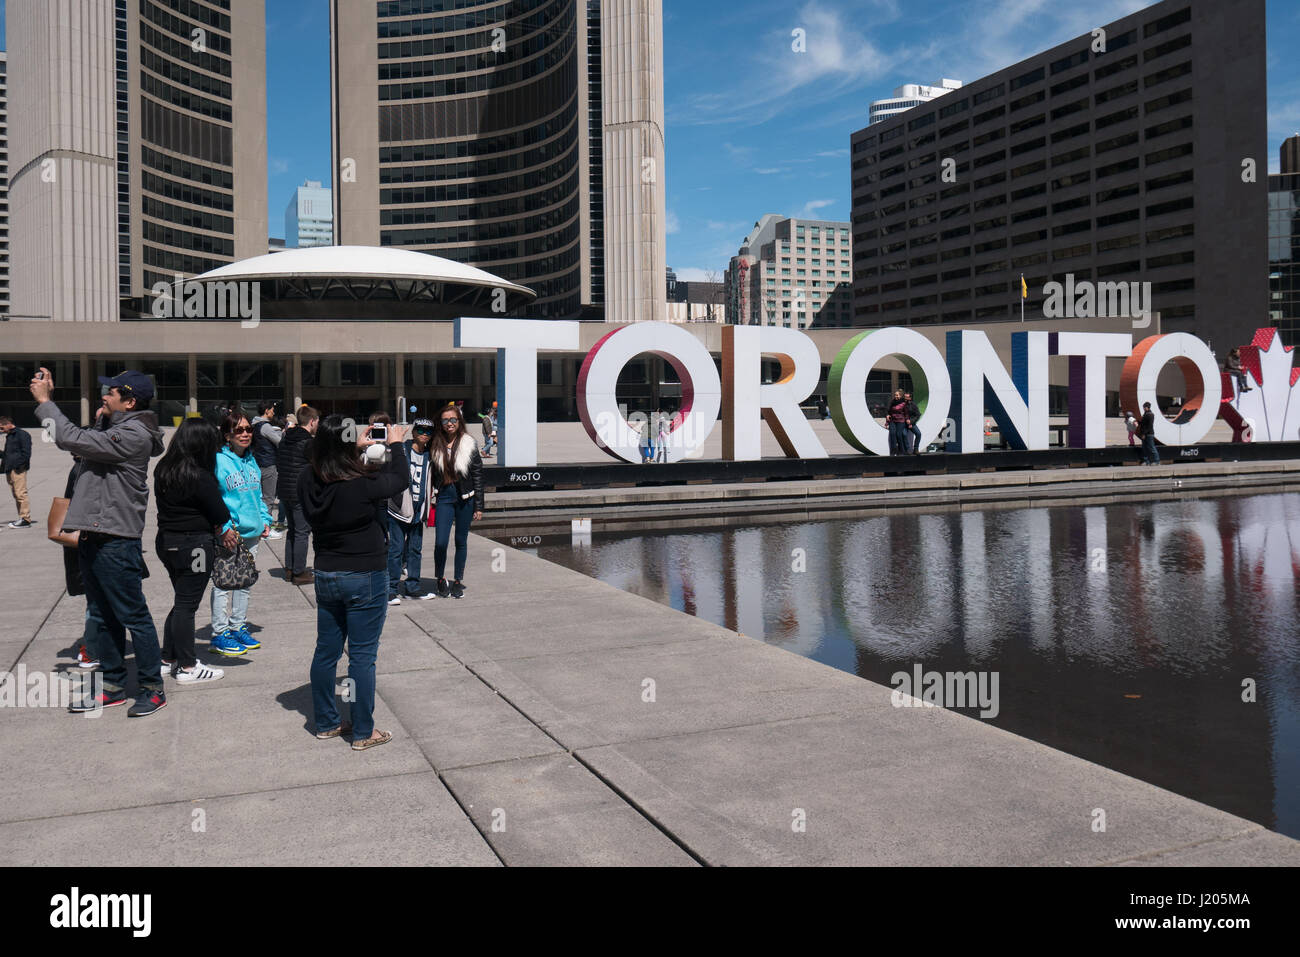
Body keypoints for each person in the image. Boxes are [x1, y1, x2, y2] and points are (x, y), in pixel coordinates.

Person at [32, 368, 168, 716]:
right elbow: (78, 448)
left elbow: (70, 440)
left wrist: (47, 402)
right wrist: (102, 422)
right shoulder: (115, 429)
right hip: (93, 535)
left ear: (130, 401)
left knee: (133, 617)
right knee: (104, 617)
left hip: (116, 540)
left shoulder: (135, 433)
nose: (103, 395)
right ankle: (112, 685)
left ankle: (153, 687)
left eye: (110, 392)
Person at [299, 416, 409, 750]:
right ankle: (364, 731)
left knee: (326, 652)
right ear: (346, 445)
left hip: (326, 573)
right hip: (365, 575)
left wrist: (350, 445)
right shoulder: (358, 481)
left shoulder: (308, 477)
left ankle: (327, 723)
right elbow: (400, 479)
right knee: (362, 656)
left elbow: (322, 459)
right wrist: (396, 444)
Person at [154, 418, 236, 683]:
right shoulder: (200, 476)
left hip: (167, 542)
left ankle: (168, 658)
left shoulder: (164, 469)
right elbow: (220, 513)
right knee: (187, 605)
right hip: (195, 547)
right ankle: (188, 667)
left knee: (181, 601)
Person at [210, 411, 273, 657]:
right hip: (229, 533)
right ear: (227, 436)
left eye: (248, 429)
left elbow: (256, 495)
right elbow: (213, 498)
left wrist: (265, 519)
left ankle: (238, 626)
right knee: (223, 583)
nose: (245, 433)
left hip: (253, 532)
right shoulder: (218, 460)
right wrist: (222, 527)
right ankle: (219, 632)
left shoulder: (251, 460)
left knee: (245, 582)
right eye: (239, 430)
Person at [425, 405, 483, 599]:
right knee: (441, 542)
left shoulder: (469, 443)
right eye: (445, 421)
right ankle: (440, 578)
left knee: (461, 541)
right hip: (444, 497)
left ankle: (458, 580)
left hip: (465, 498)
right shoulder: (435, 443)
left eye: (453, 420)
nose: (449, 424)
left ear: (459, 421)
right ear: (440, 424)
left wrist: (479, 506)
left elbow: (477, 475)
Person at [386, 417, 436, 603]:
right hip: (399, 507)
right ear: (413, 431)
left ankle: (412, 587)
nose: (424, 434)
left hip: (419, 509)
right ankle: (390, 588)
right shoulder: (402, 450)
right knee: (396, 549)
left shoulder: (430, 455)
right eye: (421, 430)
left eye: (428, 431)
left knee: (416, 550)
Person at [277, 405, 319, 585]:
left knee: (292, 530)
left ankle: (289, 568)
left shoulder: (285, 439)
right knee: (302, 532)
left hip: (284, 490)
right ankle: (300, 572)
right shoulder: (308, 443)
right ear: (312, 421)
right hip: (300, 491)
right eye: (317, 421)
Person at [251, 400, 285, 537]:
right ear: (266, 410)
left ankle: (259, 526)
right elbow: (280, 442)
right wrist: (285, 432)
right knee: (269, 498)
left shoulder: (253, 424)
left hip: (258, 463)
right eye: (272, 409)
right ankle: (266, 529)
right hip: (268, 464)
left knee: (259, 498)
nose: (273, 412)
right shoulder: (265, 426)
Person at [0, 415, 33, 527]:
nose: (1, 430)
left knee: (21, 494)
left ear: (8, 424)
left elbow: (26, 453)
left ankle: (25, 519)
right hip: (9, 469)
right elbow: (7, 454)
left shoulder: (22, 434)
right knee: (16, 494)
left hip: (18, 469)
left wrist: (19, 467)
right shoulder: (10, 436)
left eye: (2, 428)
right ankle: (22, 518)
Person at [884, 390, 909, 456]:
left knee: (898, 435)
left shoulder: (904, 403)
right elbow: (888, 412)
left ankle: (901, 450)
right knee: (892, 434)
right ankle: (893, 451)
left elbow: (906, 413)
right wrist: (887, 421)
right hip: (892, 420)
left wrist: (907, 420)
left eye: (897, 395)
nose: (896, 396)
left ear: (900, 396)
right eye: (895, 395)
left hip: (901, 421)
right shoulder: (892, 402)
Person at [1139, 402, 1160, 466]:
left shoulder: (1150, 414)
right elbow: (1143, 424)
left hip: (1149, 434)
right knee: (1144, 448)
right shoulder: (1145, 414)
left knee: (1152, 447)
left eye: (1145, 407)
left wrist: (1144, 434)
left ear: (1148, 407)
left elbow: (1149, 426)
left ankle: (1157, 461)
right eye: (1143, 407)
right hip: (1144, 433)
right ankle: (1146, 461)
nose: (1144, 408)